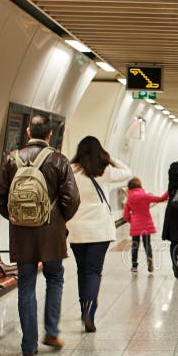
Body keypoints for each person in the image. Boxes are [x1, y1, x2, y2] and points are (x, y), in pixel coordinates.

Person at [0, 114, 80, 356]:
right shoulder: (59, 160)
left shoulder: (11, 160)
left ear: (28, 132)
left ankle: (28, 345)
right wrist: (58, 219)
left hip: (22, 236)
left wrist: (18, 218)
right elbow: (72, 199)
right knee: (55, 279)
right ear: (50, 134)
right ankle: (51, 331)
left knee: (26, 286)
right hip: (51, 234)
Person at [66, 136, 133, 332]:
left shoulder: (71, 170)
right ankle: (90, 311)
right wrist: (111, 158)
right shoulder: (104, 171)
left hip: (77, 228)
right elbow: (127, 173)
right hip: (99, 230)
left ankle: (82, 308)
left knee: (81, 270)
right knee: (94, 271)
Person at [122, 177, 168, 273]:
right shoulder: (145, 196)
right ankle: (149, 258)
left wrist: (133, 221)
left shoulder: (129, 199)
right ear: (140, 186)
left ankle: (134, 266)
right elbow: (161, 199)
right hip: (146, 224)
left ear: (129, 187)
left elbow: (125, 216)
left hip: (135, 225)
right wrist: (170, 189)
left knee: (135, 245)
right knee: (147, 244)